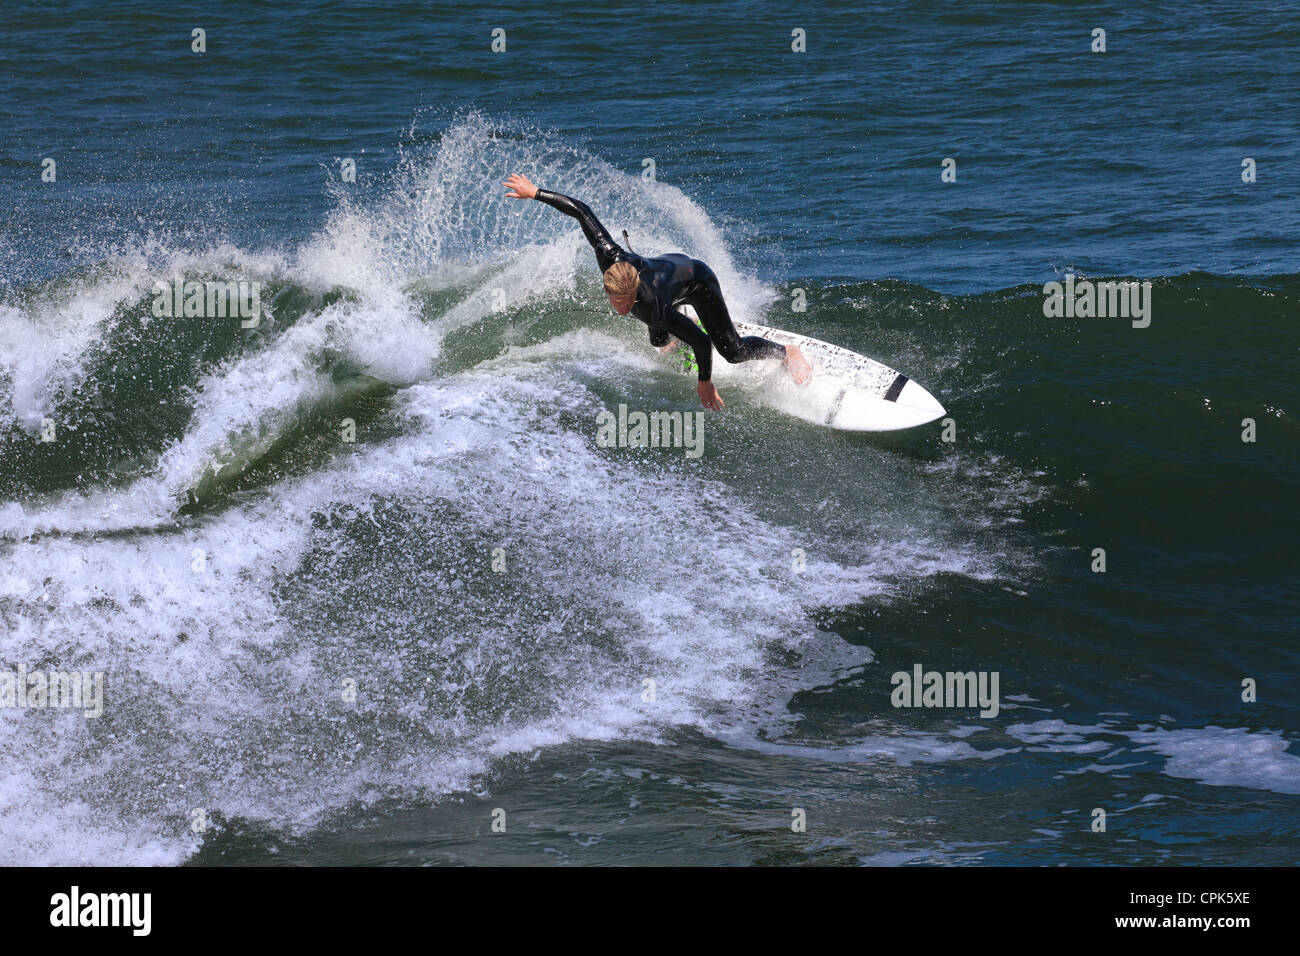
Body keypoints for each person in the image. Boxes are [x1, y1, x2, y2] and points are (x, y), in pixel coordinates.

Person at [503, 173, 810, 411]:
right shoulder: (610, 257)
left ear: (635, 290)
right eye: (617, 303)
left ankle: (785, 352)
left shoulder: (655, 309)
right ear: (609, 286)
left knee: (731, 352)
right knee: (658, 339)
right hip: (670, 274)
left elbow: (702, 344)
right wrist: (536, 193)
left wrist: (705, 382)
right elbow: (583, 213)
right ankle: (680, 324)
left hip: (698, 280)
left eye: (626, 304)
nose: (621, 309)